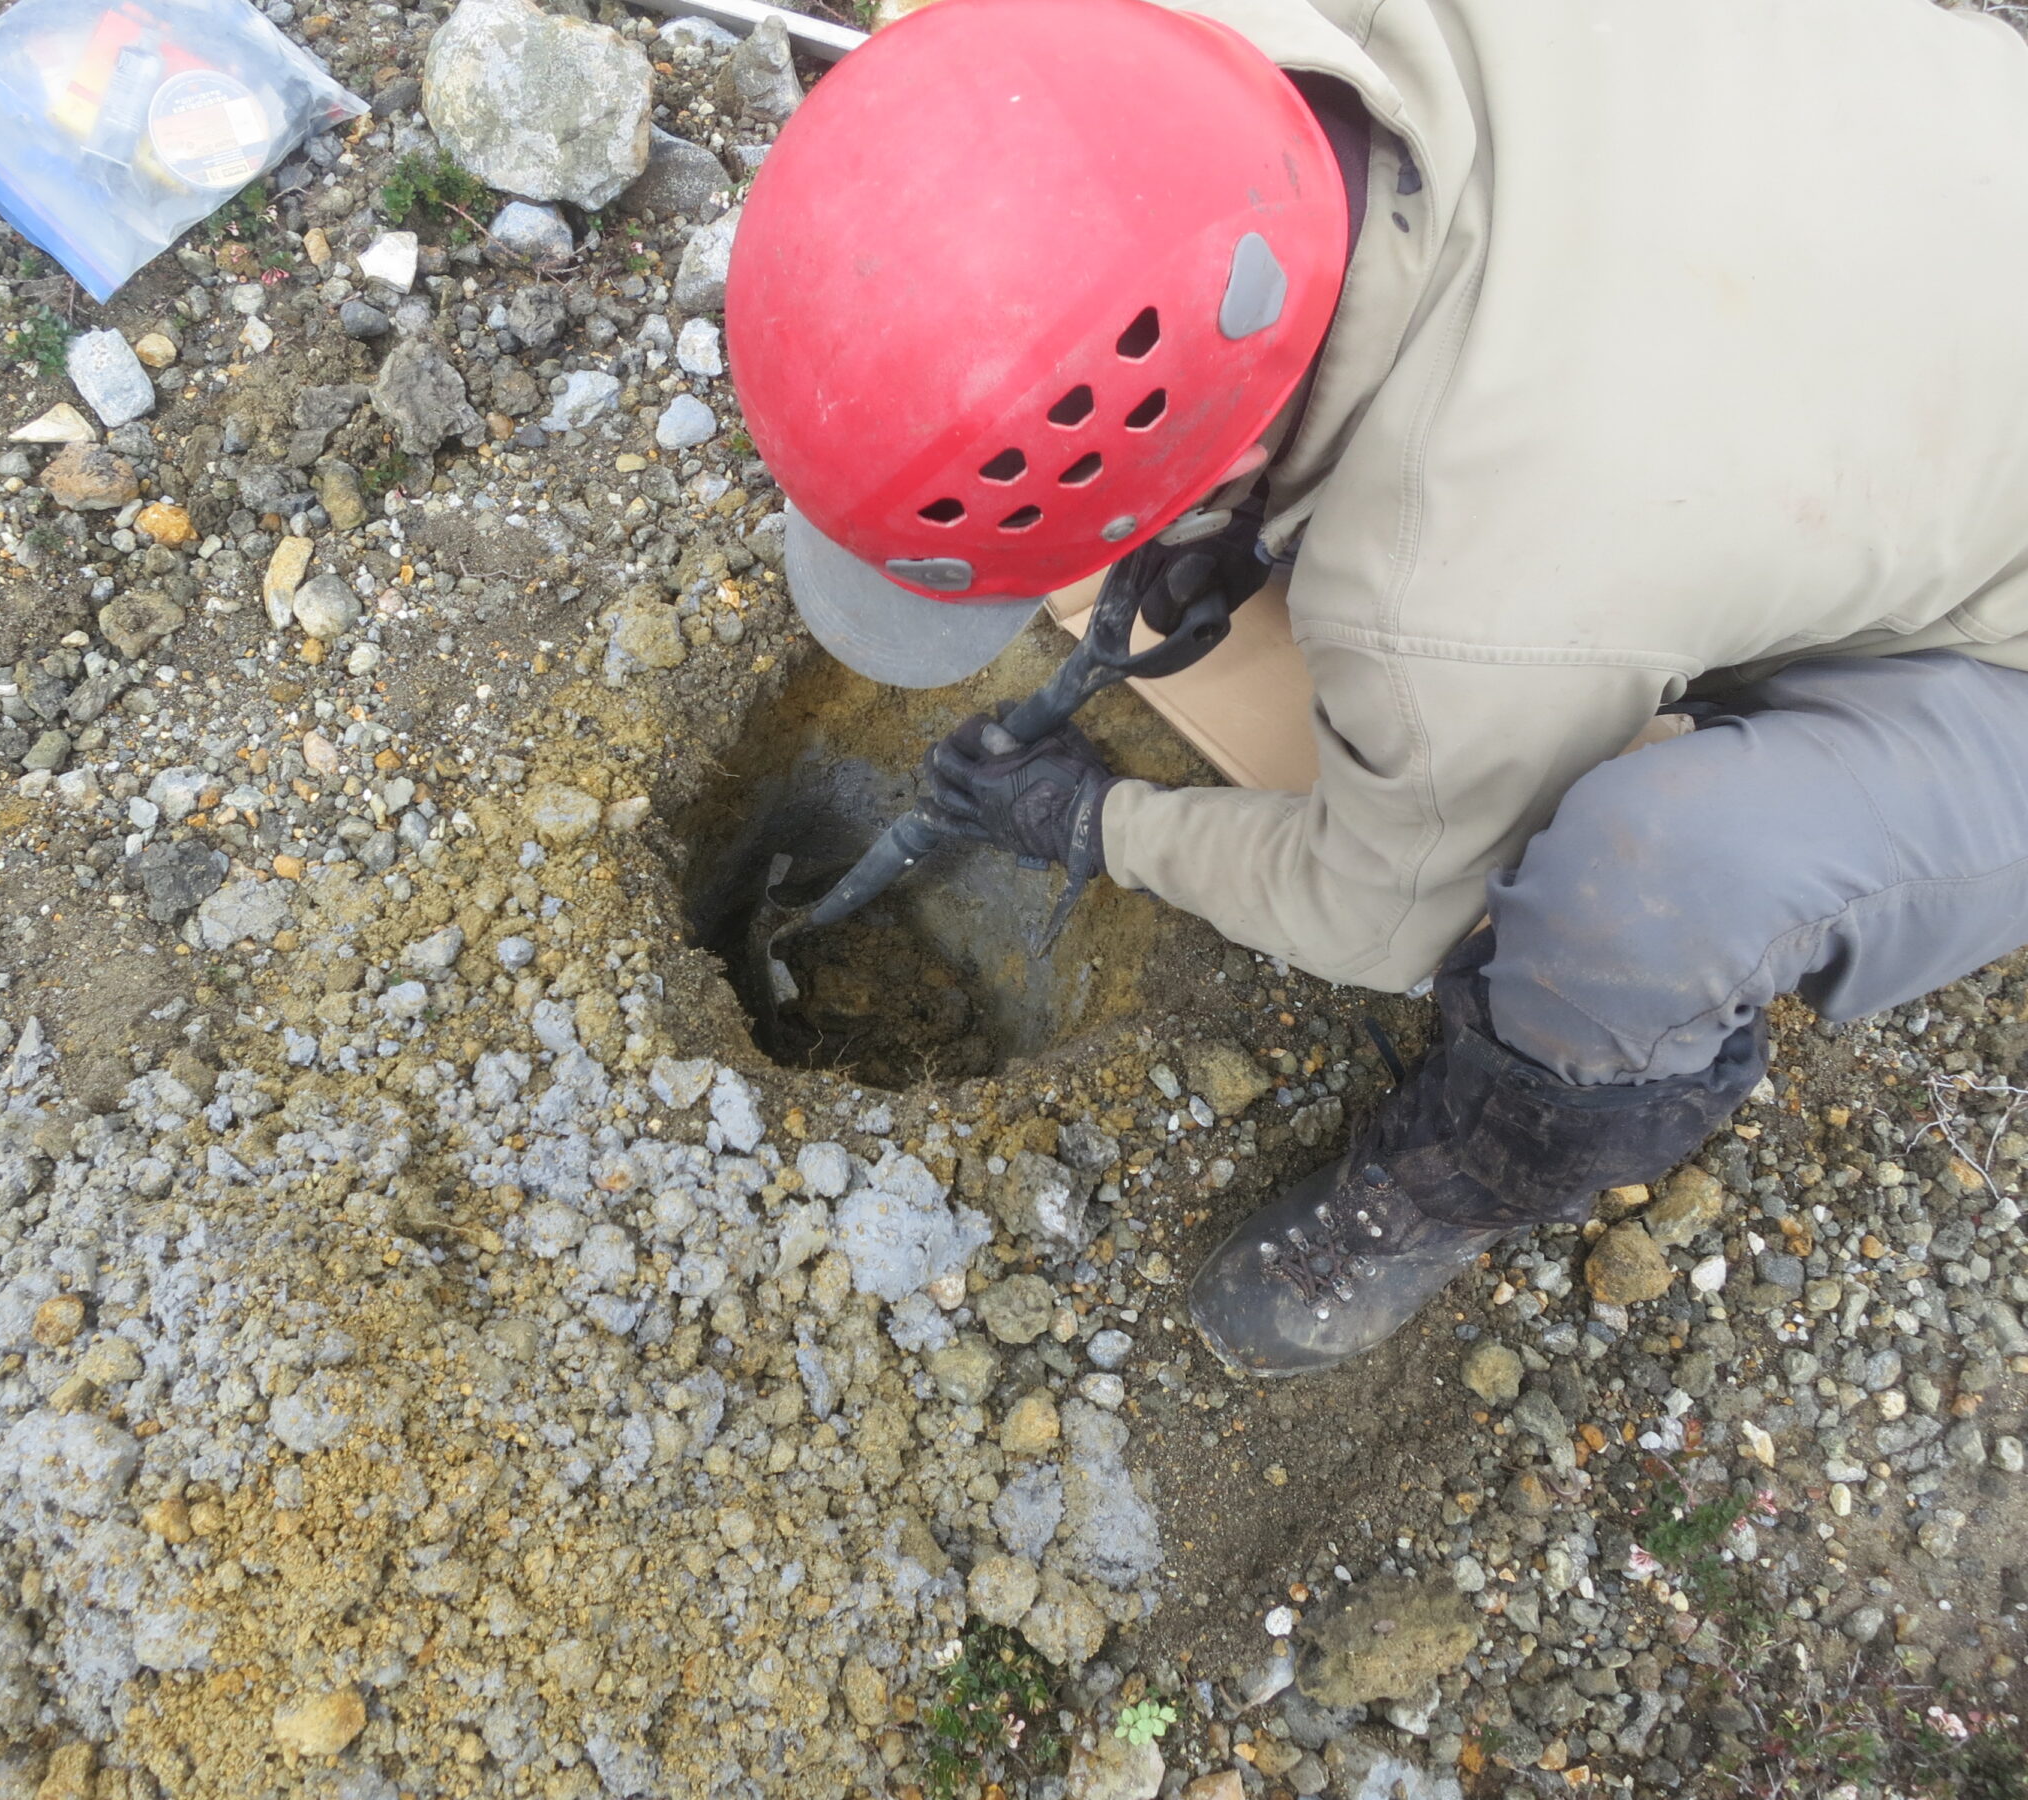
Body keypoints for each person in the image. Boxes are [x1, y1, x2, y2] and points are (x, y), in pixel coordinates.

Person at [722, 0, 2028, 1374]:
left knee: (1649, 889)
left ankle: (1474, 1165)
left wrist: (1093, 823)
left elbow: (1381, 914)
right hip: (1921, 260)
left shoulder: (1451, 609)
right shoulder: (1224, 62)